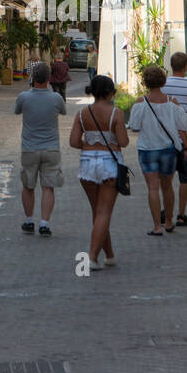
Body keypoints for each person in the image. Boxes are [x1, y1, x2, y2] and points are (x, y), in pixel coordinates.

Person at [69, 74, 128, 269]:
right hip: (109, 163)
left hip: (87, 163)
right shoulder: (116, 113)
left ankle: (109, 255)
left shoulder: (81, 114)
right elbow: (123, 142)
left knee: (97, 212)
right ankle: (92, 258)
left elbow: (73, 141)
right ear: (110, 92)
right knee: (104, 213)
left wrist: (89, 144)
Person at [127, 65, 187, 235]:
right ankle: (169, 222)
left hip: (147, 149)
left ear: (145, 82)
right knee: (167, 186)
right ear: (163, 81)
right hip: (168, 150)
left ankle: (157, 226)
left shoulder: (140, 103)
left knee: (152, 188)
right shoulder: (172, 102)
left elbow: (134, 126)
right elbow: (182, 127)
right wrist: (186, 148)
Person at [15, 62, 65, 236]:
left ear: (32, 78)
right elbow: (64, 111)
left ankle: (29, 221)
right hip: (51, 148)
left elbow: (17, 111)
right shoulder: (56, 98)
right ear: (49, 79)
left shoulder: (23, 97)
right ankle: (44, 223)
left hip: (29, 148)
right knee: (48, 187)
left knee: (28, 186)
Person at [161, 51, 187, 226]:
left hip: (166, 139)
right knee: (186, 178)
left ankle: (166, 210)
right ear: (186, 67)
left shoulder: (162, 87)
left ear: (171, 66)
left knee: (167, 177)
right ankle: (181, 214)